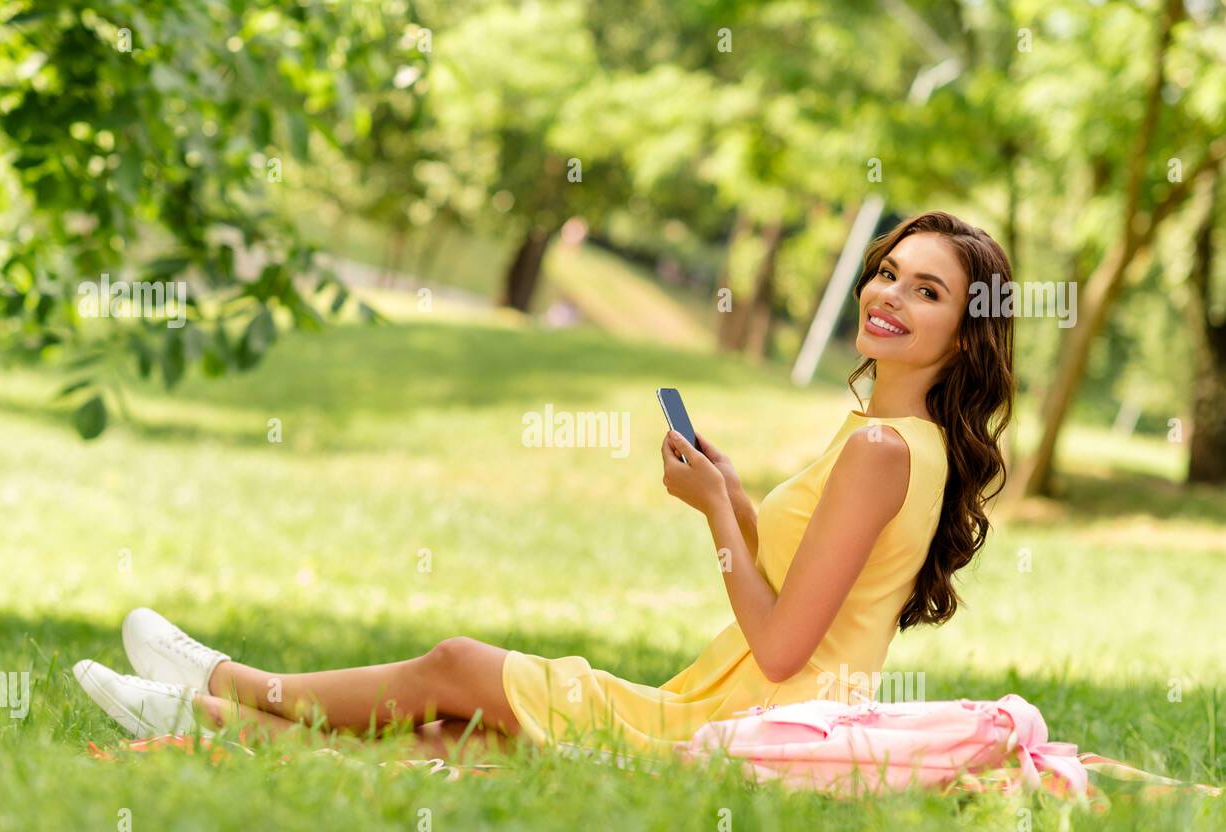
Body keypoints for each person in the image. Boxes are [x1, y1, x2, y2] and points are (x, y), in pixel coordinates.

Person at [73, 210, 1015, 764]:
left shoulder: (886, 449)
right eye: (887, 271)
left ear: (967, 334)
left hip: (754, 721)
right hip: (749, 707)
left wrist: (712, 520)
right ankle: (197, 723)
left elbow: (778, 647)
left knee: (456, 666)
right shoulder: (889, 436)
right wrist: (732, 495)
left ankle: (225, 679)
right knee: (456, 741)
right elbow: (808, 587)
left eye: (926, 290)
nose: (889, 294)